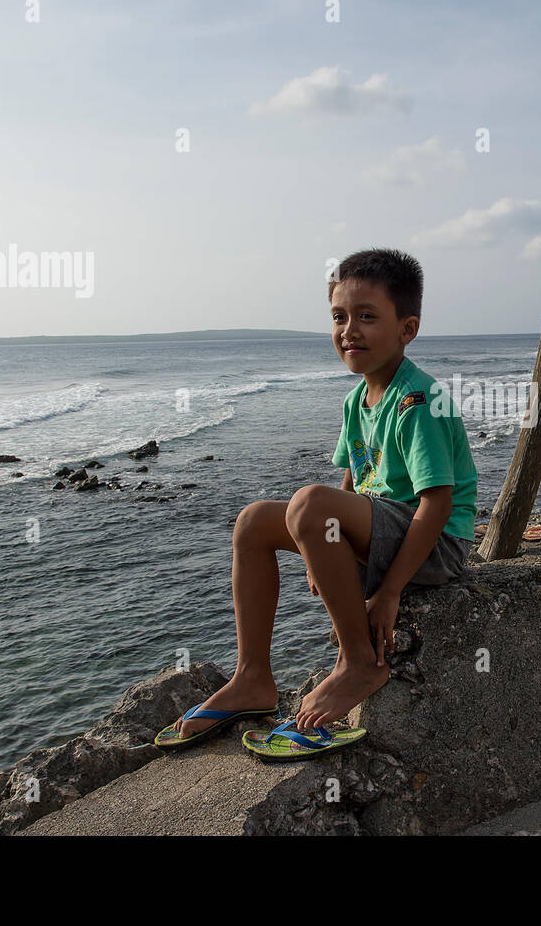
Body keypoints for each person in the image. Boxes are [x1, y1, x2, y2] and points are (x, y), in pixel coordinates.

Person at [156, 248, 477, 748]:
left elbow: (435, 505)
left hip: (435, 544)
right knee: (253, 522)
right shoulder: (356, 400)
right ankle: (253, 678)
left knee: (309, 502)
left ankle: (359, 664)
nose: (349, 330)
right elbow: (354, 479)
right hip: (381, 529)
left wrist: (389, 592)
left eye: (367, 317)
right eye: (339, 316)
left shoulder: (419, 400)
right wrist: (320, 540)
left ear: (406, 329)